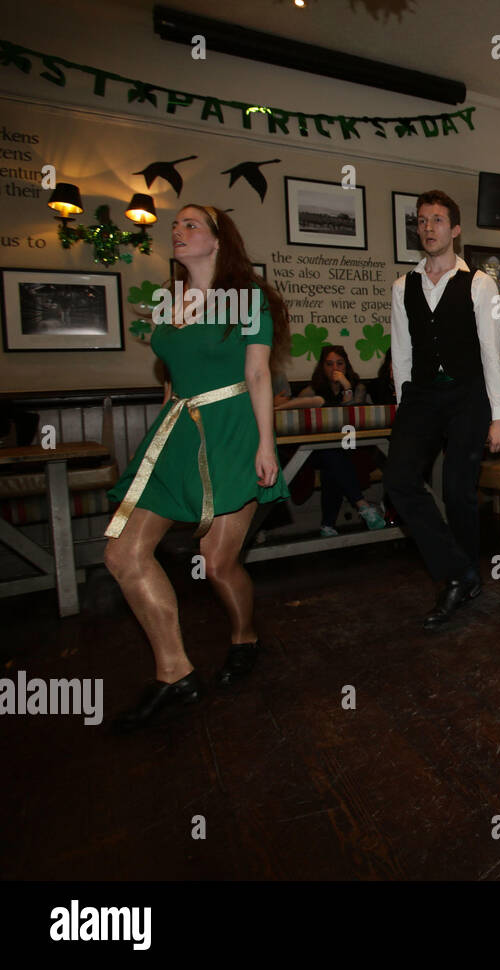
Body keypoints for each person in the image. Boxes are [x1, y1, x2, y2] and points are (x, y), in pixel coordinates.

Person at [103, 204, 291, 730]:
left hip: (232, 430)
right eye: (176, 225)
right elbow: (171, 378)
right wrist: (160, 437)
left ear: (217, 241)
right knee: (122, 552)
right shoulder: (168, 300)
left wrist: (266, 447)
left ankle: (245, 636)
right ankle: (175, 672)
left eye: (191, 225)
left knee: (216, 563)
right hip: (176, 431)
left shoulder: (247, 299)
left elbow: (258, 376)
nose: (178, 231)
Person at [386, 189, 500, 631]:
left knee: (458, 489)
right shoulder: (403, 286)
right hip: (420, 394)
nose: (428, 227)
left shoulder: (479, 282)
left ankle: (461, 579)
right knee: (398, 481)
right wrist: (404, 408)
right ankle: (460, 570)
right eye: (422, 220)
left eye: (437, 220)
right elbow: (400, 352)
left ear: (455, 229)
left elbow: (492, 351)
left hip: (468, 394)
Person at [293, 345, 386, 535]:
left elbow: (351, 415)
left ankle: (328, 525)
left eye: (339, 363)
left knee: (333, 463)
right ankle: (362, 505)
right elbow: (294, 408)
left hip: (351, 443)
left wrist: (346, 386)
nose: (335, 368)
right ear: (322, 367)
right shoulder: (314, 391)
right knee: (330, 452)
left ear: (346, 365)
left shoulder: (356, 386)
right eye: (329, 364)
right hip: (317, 450)